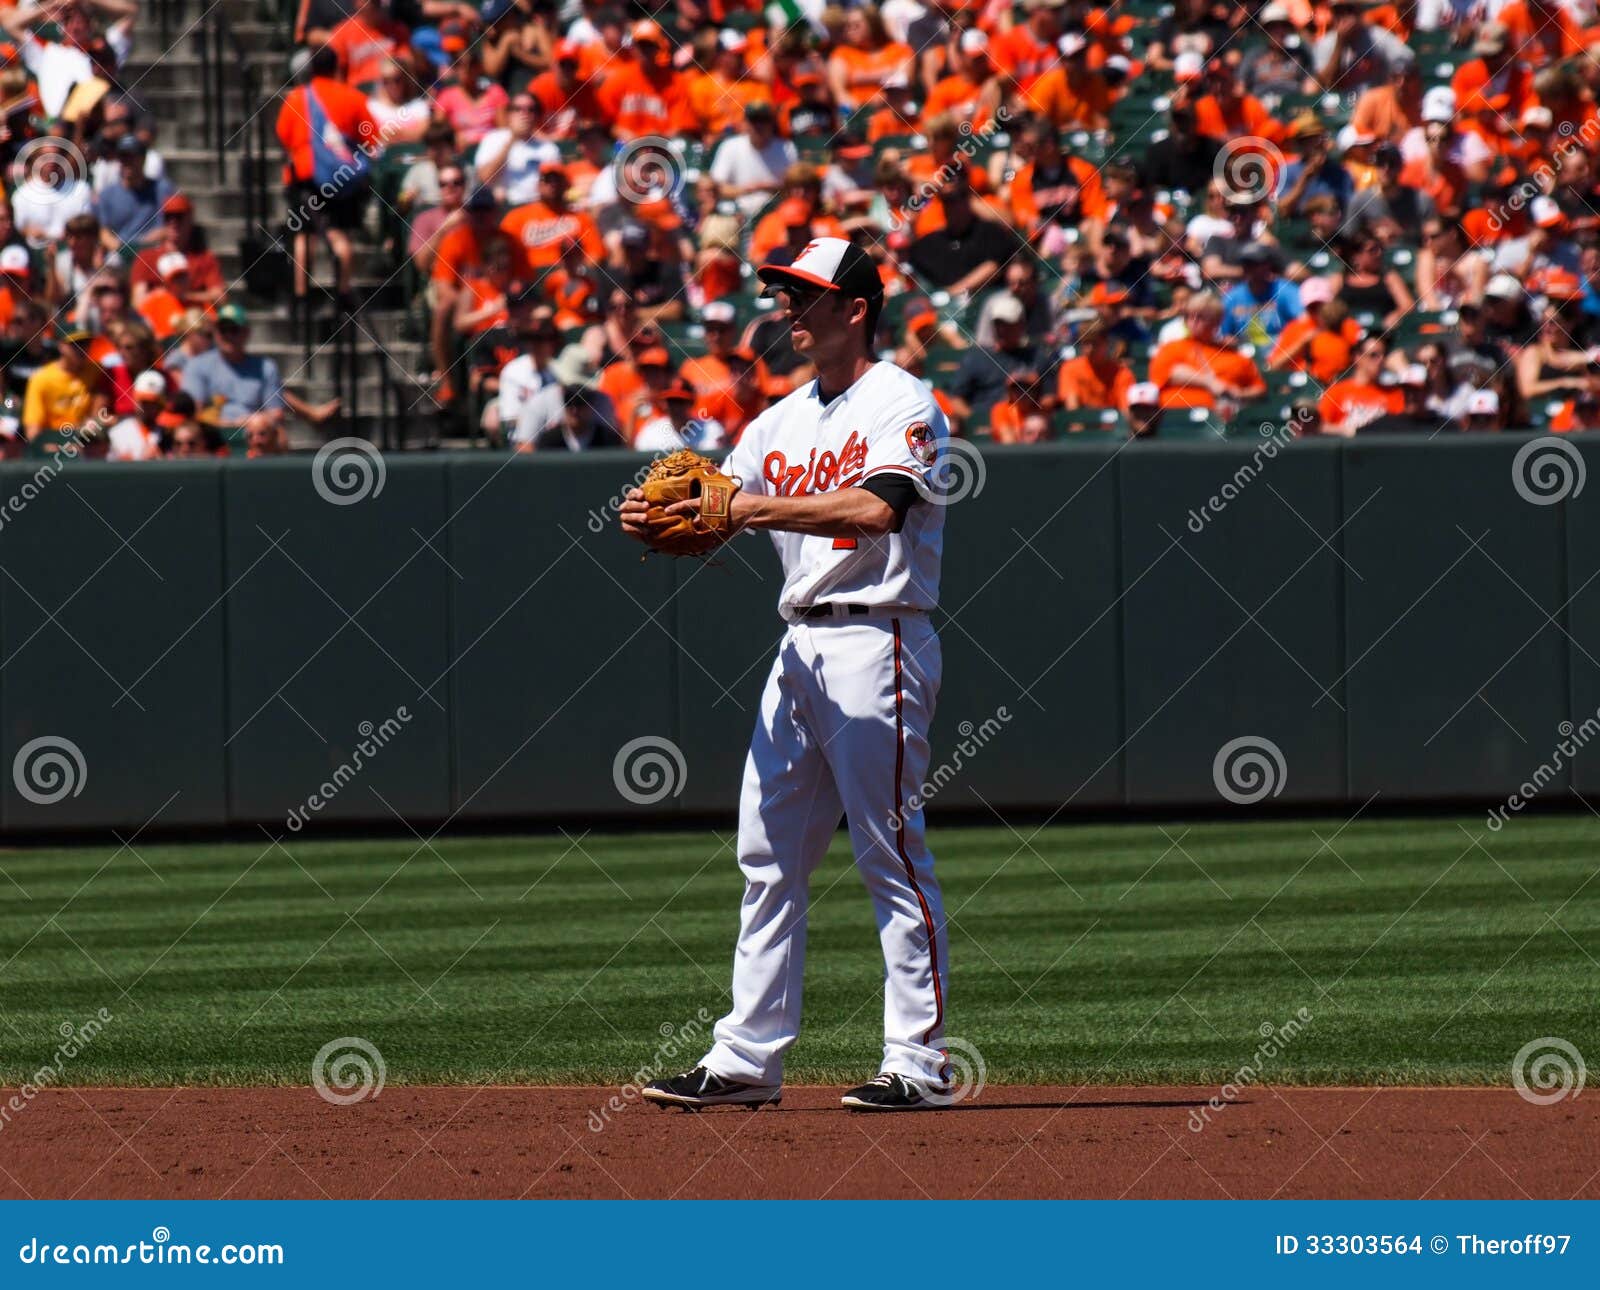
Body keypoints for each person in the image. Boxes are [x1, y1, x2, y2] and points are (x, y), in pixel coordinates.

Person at [630, 236, 953, 1114]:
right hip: (800, 647)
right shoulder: (774, 422)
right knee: (768, 855)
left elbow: (877, 507)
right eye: (782, 294)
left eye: (804, 296)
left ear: (855, 308)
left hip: (878, 639)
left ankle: (918, 1063)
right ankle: (745, 1058)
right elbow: (715, 509)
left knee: (889, 850)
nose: (787, 310)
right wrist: (667, 519)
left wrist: (742, 506)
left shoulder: (903, 402)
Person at [275, 43, 380, 311]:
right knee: (340, 235)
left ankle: (301, 297)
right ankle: (343, 293)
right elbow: (373, 139)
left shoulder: (297, 98)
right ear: (337, 67)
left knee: (304, 235)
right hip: (341, 180)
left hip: (305, 176)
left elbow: (283, 135)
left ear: (310, 68)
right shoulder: (353, 97)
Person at [180, 305, 339, 442]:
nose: (228, 335)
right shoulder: (197, 366)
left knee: (280, 436)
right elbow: (194, 415)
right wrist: (234, 424)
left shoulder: (265, 367)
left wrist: (253, 423)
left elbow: (276, 414)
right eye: (223, 330)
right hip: (213, 439)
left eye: (234, 330)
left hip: (254, 437)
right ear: (216, 333)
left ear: (246, 333)